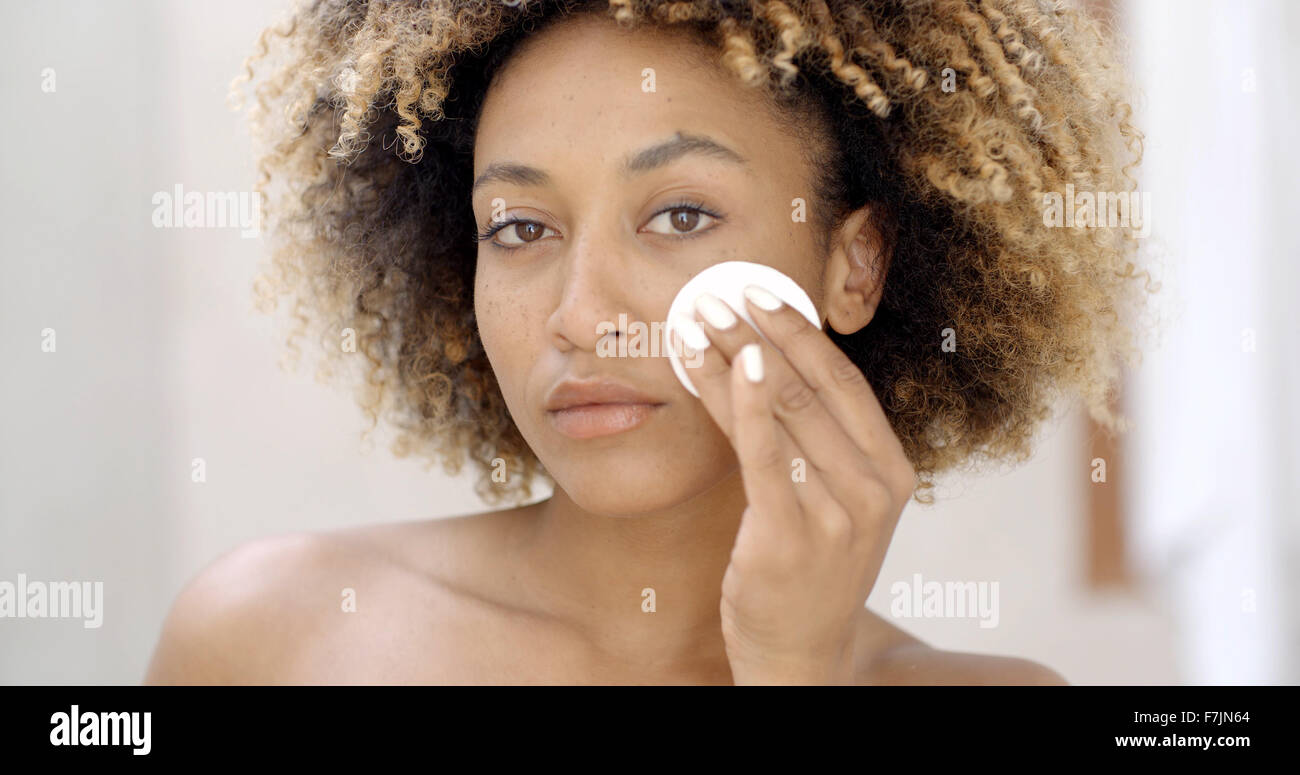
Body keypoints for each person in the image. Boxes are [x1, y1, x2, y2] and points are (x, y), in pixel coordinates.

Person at [145, 0, 1147, 684]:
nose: (582, 315)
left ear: (856, 264)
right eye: (521, 229)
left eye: (677, 216)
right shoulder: (271, 636)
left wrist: (791, 673)